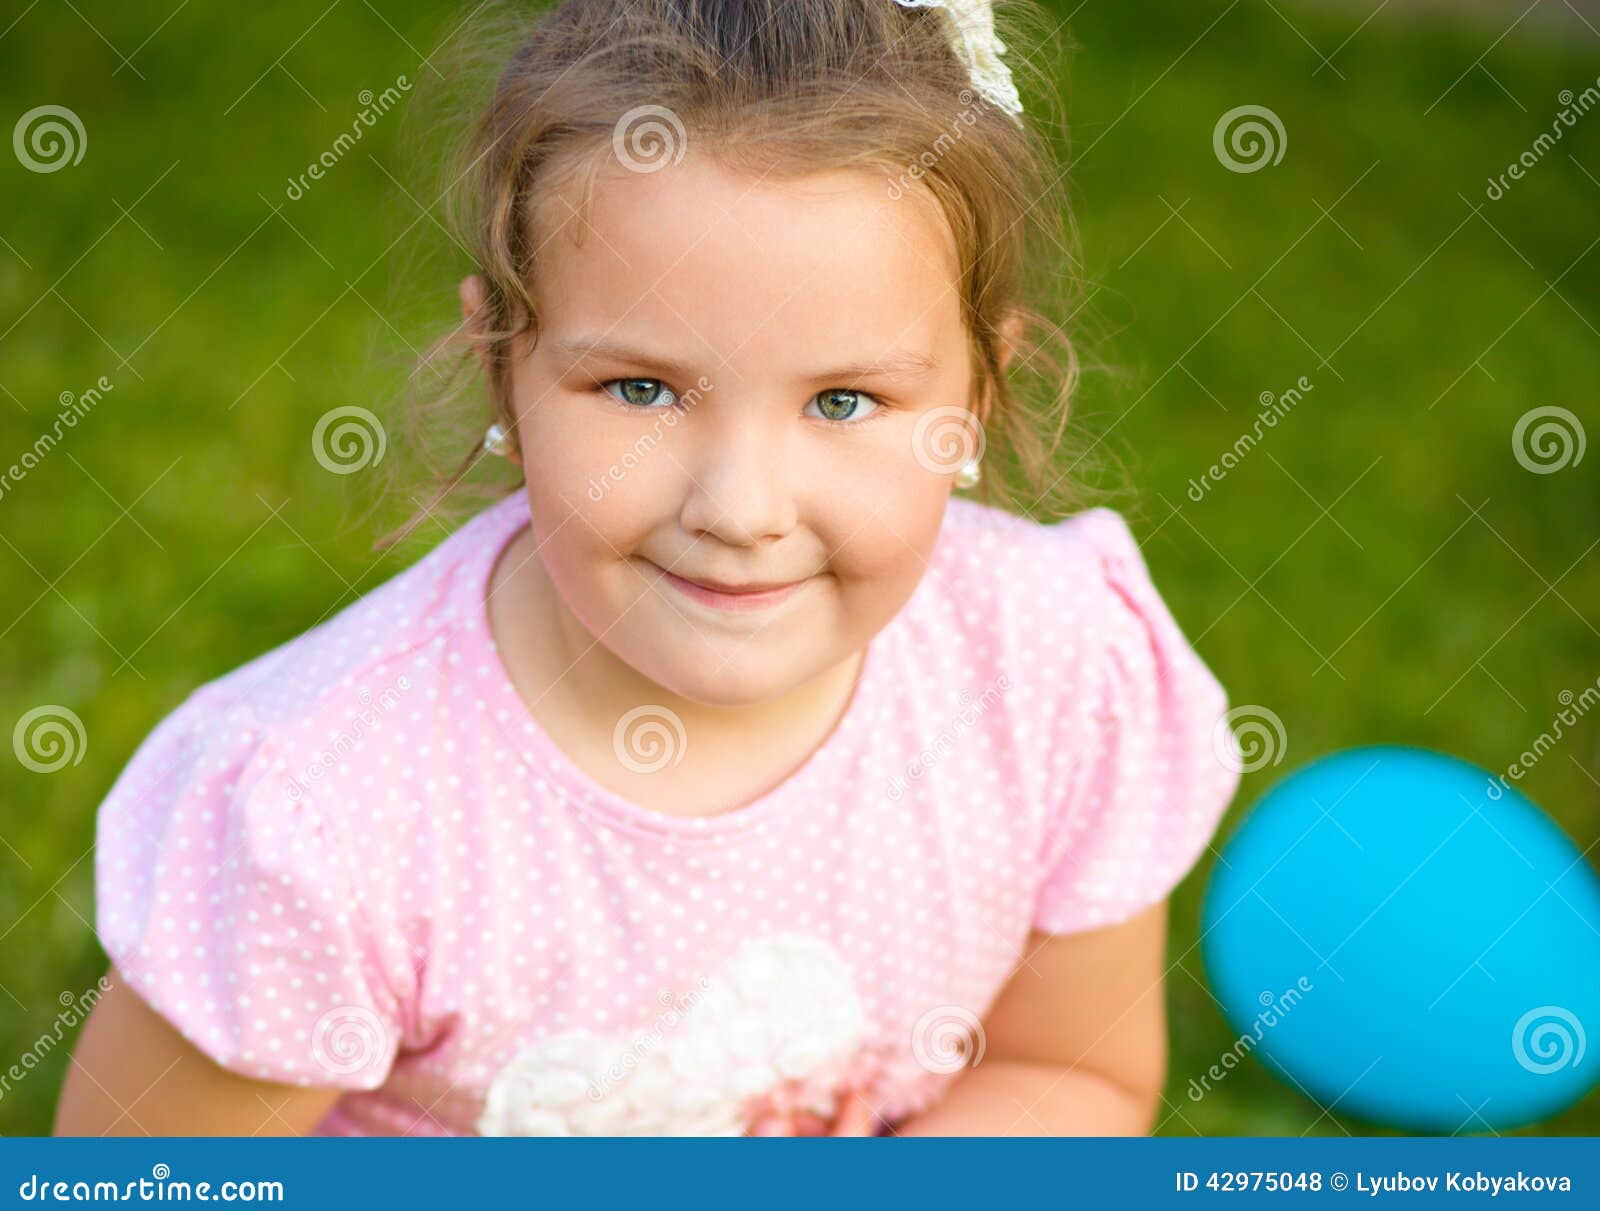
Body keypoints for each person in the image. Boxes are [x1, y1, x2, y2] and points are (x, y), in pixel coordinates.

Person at [56, 0, 1241, 1137]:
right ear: (500, 370)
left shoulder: (1051, 674)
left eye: (844, 400)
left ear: (974, 397)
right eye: (641, 389)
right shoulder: (328, 815)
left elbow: (1061, 1078)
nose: (739, 508)